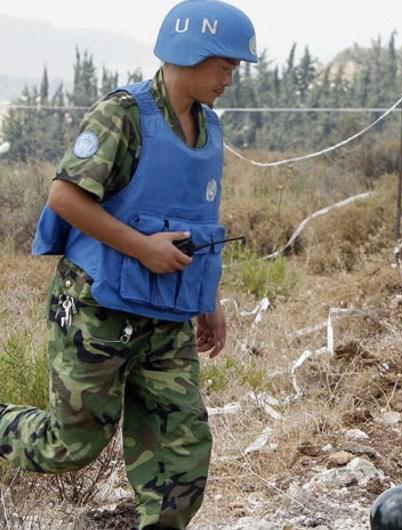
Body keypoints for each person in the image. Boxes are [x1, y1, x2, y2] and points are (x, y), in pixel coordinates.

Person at [0, 1, 257, 528]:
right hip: (99, 310)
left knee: (181, 458)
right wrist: (143, 248)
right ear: (191, 52)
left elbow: (198, 221)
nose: (231, 78)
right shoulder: (123, 115)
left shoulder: (209, 127)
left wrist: (208, 302)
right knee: (68, 446)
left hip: (167, 317)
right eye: (225, 65)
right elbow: (65, 198)